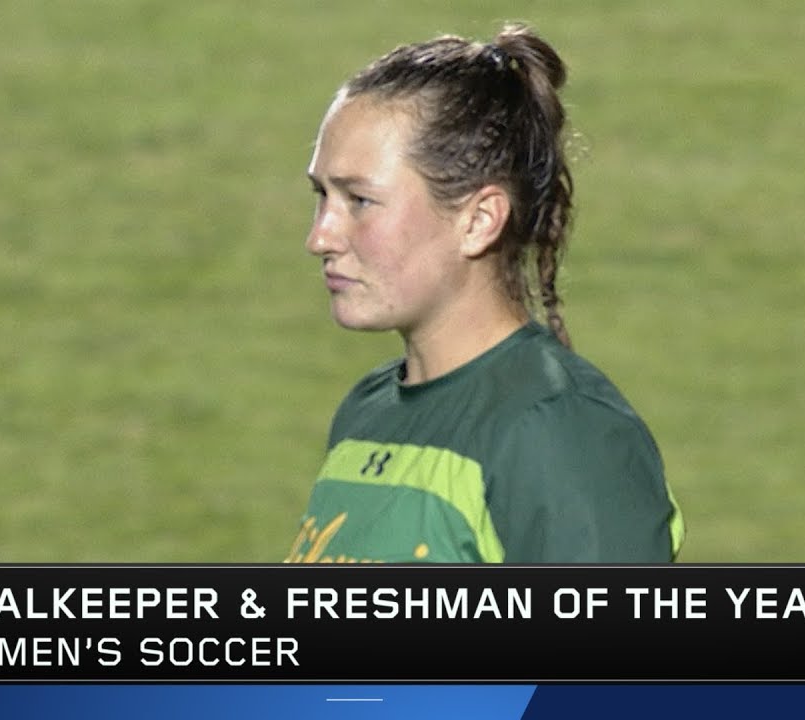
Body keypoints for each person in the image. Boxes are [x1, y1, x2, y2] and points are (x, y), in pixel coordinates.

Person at [286, 23, 684, 563]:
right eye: (322, 196)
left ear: (478, 220)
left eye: (359, 200)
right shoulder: (365, 415)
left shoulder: (562, 432)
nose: (320, 237)